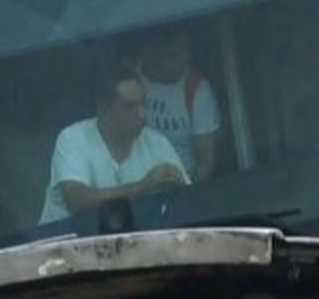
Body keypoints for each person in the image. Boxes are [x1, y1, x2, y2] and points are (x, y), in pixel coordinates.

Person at [39, 66, 189, 224]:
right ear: (103, 110)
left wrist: (176, 187)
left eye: (143, 104)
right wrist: (144, 187)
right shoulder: (73, 138)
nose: (142, 114)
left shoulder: (158, 144)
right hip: (64, 244)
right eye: (130, 107)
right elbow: (77, 201)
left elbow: (188, 202)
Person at [133, 29, 221, 182]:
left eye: (185, 52)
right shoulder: (128, 82)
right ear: (152, 53)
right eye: (174, 54)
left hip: (181, 182)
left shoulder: (196, 89)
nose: (183, 60)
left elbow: (205, 164)